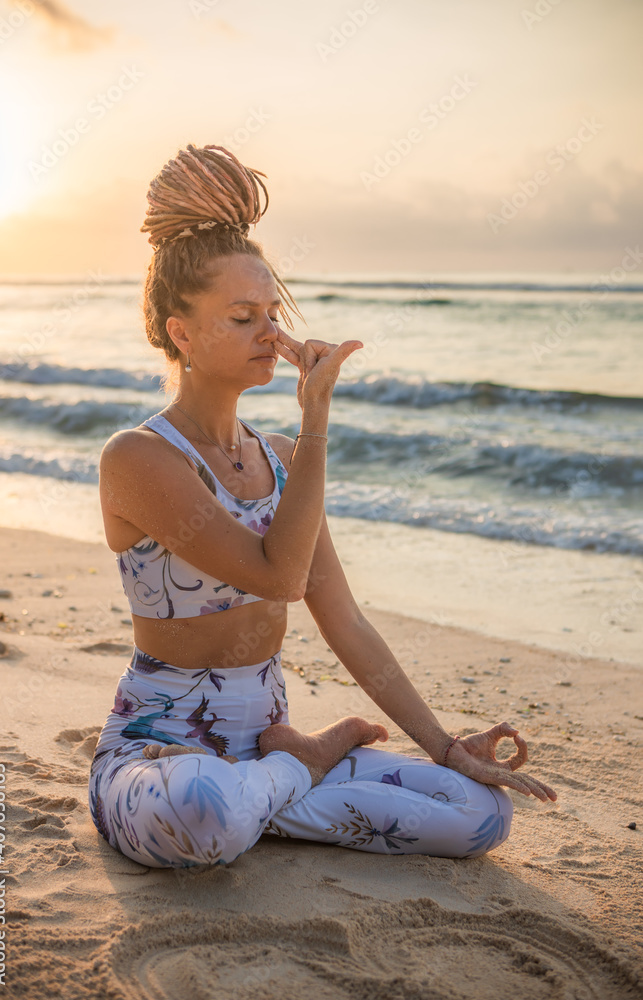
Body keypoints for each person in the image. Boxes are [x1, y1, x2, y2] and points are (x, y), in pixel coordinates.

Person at [88, 144, 556, 870]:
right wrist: (316, 423)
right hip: (161, 755)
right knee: (201, 812)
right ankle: (299, 770)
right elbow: (277, 578)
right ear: (181, 333)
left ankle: (267, 793)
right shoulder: (138, 459)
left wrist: (442, 746)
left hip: (257, 740)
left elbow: (341, 616)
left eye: (272, 313)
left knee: (479, 815)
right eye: (243, 317)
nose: (272, 335)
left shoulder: (276, 457)